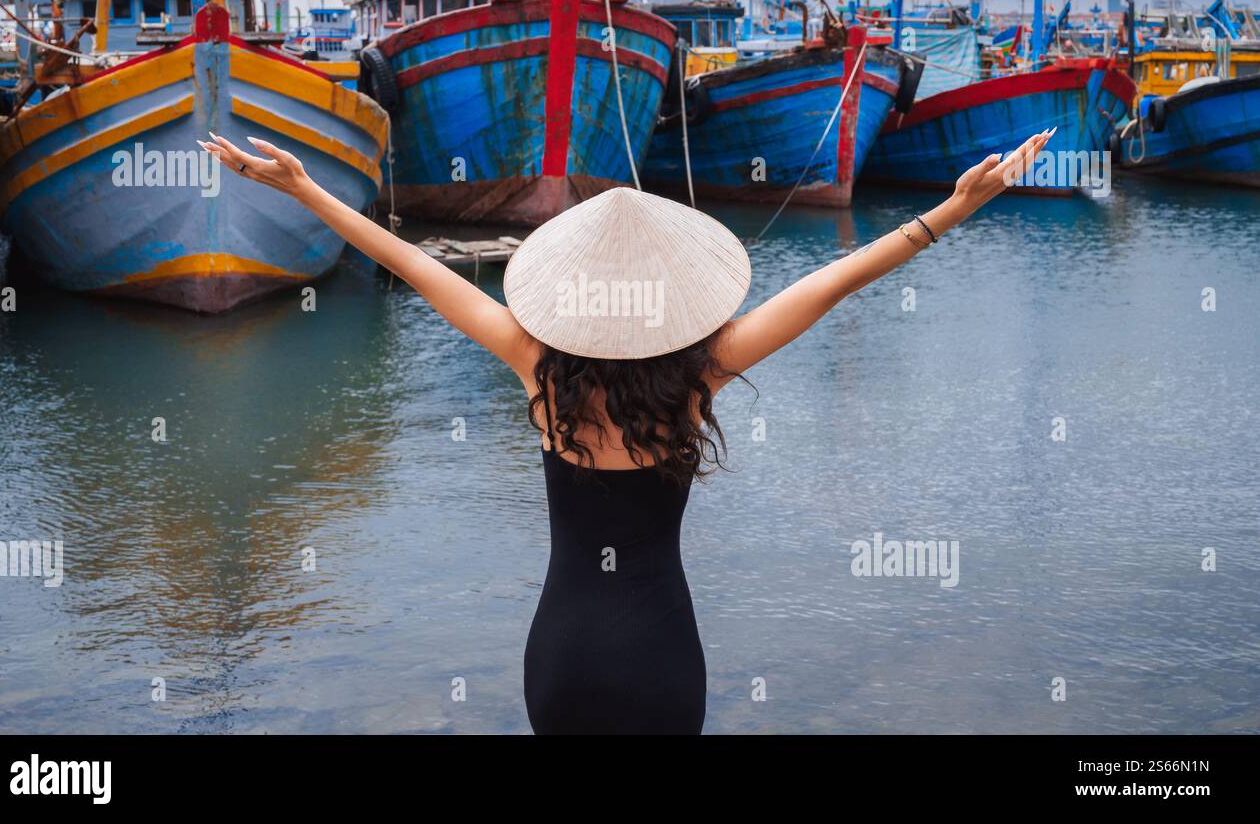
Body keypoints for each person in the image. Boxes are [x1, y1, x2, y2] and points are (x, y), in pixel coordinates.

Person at [199, 126, 1055, 735]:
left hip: (563, 653)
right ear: (677, 296)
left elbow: (414, 265)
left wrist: (304, 188)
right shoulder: (700, 373)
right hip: (660, 656)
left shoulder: (535, 364)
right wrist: (947, 211)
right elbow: (832, 283)